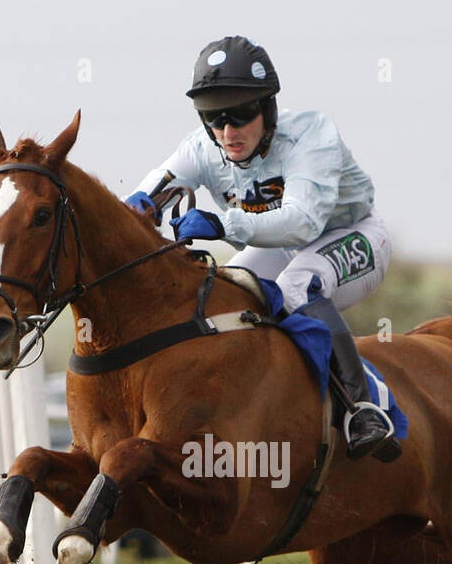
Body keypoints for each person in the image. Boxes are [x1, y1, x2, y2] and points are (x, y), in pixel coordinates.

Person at [124, 35, 398, 461]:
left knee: (297, 284)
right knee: (229, 290)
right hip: (284, 247)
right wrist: (137, 210)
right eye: (214, 118)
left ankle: (362, 408)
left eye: (241, 114)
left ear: (268, 107)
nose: (228, 132)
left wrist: (222, 223)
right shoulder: (202, 148)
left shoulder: (312, 135)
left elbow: (302, 222)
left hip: (353, 236)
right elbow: (147, 193)